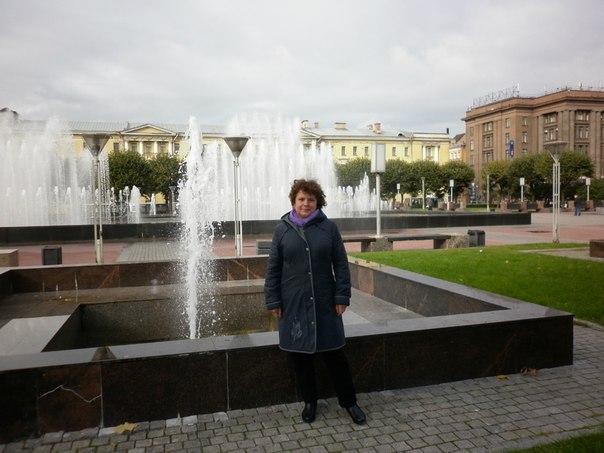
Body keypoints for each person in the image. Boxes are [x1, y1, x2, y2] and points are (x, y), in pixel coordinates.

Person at [264, 178, 366, 425]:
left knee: (335, 355)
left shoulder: (328, 228)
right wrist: (273, 300)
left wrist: (342, 296)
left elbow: (341, 264)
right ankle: (310, 402)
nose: (305, 203)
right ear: (293, 201)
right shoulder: (282, 230)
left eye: (311, 199)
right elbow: (273, 268)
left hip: (324, 301)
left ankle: (349, 402)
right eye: (301, 199)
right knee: (301, 358)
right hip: (294, 303)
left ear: (317, 202)